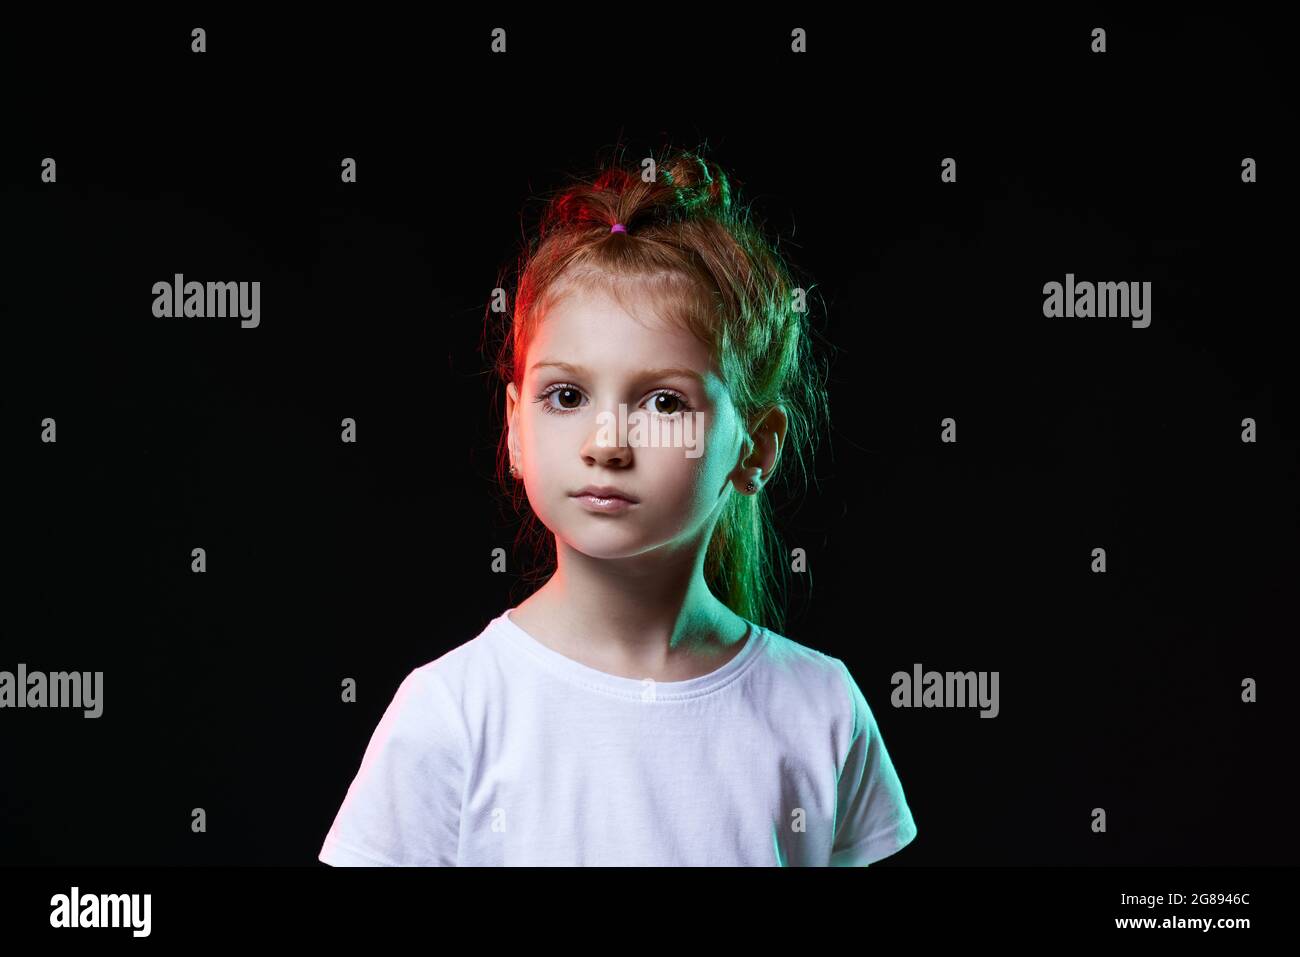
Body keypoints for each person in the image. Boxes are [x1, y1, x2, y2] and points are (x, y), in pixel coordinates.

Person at [319, 145, 918, 866]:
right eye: (566, 396)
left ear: (755, 447)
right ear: (515, 427)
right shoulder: (452, 712)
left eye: (664, 402)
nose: (606, 443)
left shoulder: (820, 708)